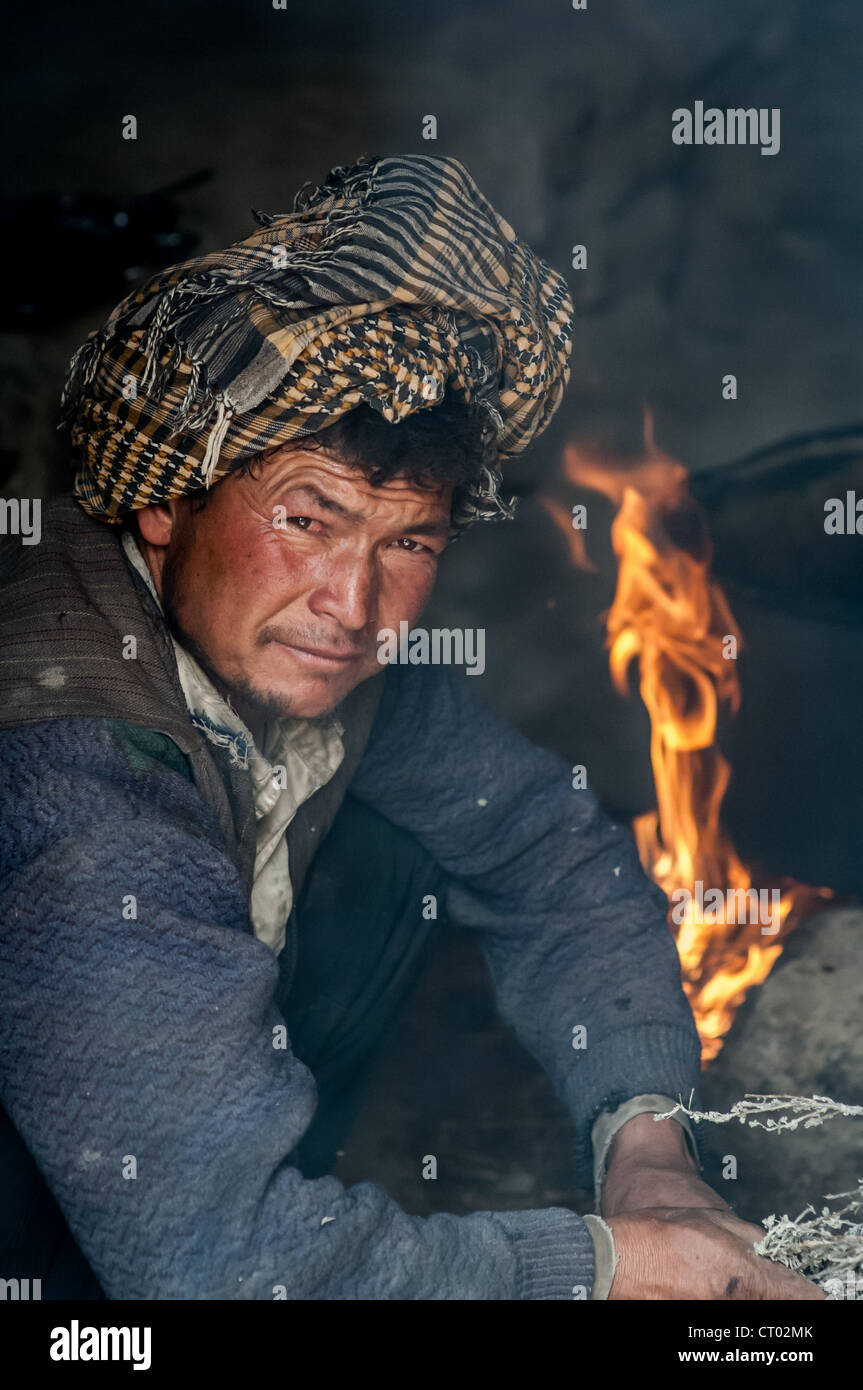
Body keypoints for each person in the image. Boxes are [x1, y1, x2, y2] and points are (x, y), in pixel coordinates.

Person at [0, 152, 821, 1300]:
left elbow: (548, 854)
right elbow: (227, 1271)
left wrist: (644, 1145)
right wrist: (604, 1265)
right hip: (128, 1263)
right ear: (163, 500)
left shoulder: (306, 659)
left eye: (410, 543)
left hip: (173, 1198)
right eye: (306, 516)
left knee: (404, 833)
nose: (353, 604)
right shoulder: (81, 788)